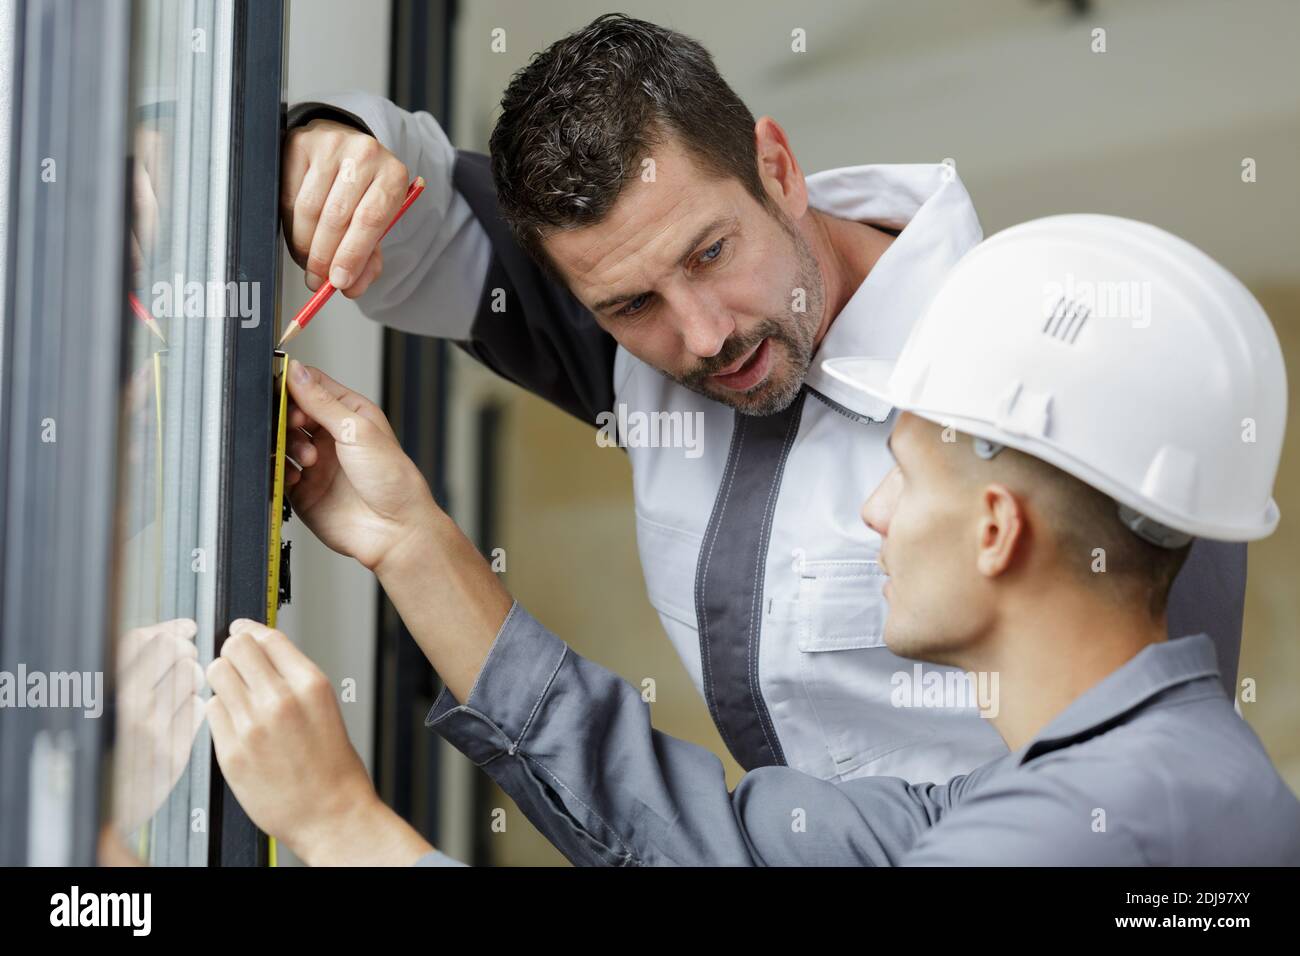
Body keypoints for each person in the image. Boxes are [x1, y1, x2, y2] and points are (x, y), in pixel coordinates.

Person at [274, 13, 1247, 790]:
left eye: (710, 253)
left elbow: (1139, 759)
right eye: (630, 303)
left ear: (777, 168)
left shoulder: (1047, 385)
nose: (701, 336)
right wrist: (325, 149)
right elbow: (421, 219)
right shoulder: (633, 327)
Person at [205, 214, 1299, 865]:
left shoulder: (1065, 835)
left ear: (994, 528)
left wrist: (345, 827)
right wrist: (409, 541)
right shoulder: (1112, 785)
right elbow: (702, 843)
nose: (871, 510)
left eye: (899, 473)